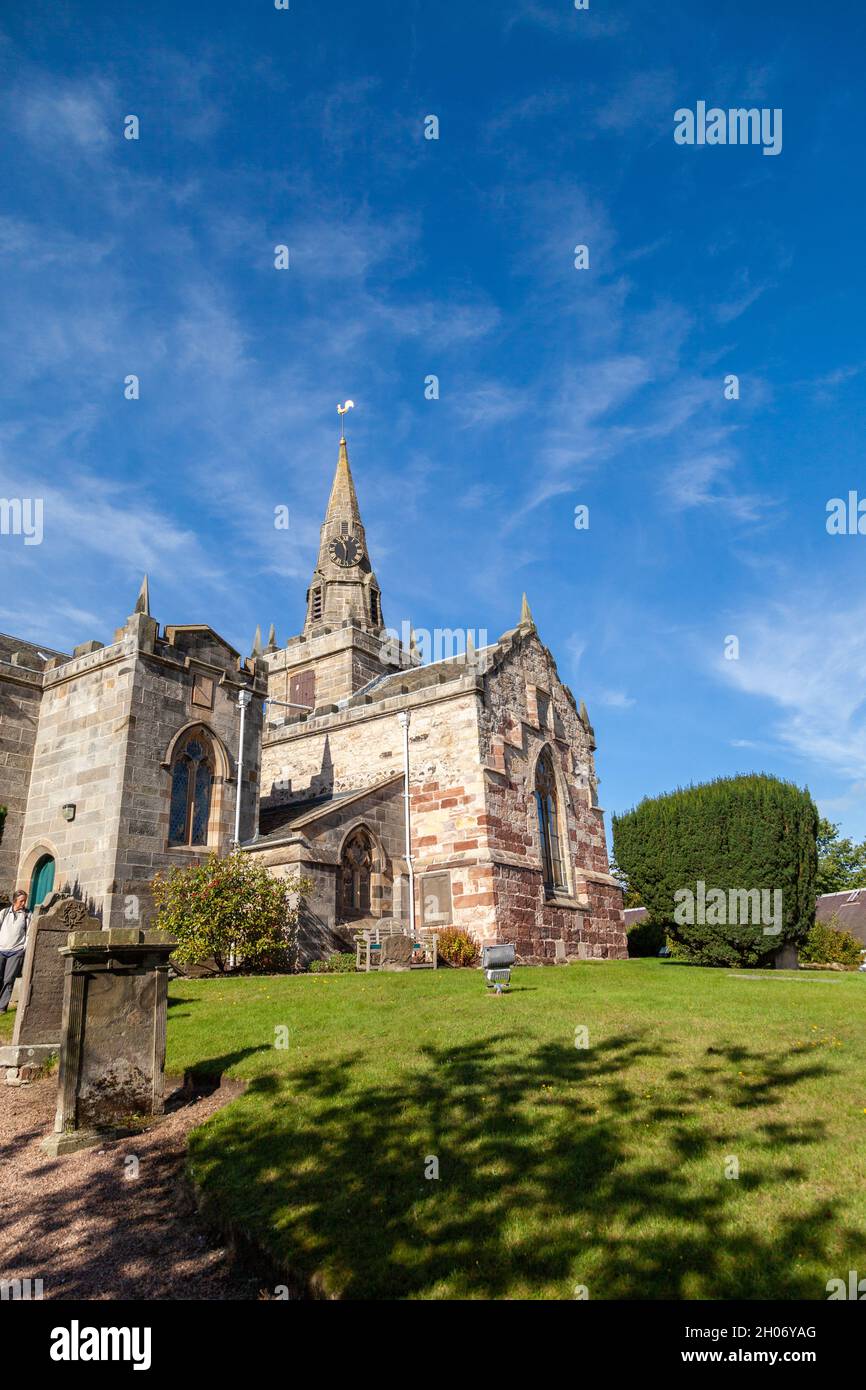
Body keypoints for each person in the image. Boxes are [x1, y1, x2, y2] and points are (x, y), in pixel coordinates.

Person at [0, 890, 31, 1012]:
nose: (23, 903)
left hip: (16, 951)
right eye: (21, 901)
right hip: (1, 949)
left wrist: (23, 948)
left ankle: (2, 1007)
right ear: (14, 901)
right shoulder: (4, 912)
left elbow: (28, 934)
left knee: (8, 980)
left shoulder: (28, 915)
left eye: (24, 901)